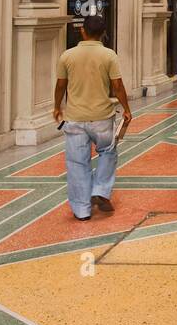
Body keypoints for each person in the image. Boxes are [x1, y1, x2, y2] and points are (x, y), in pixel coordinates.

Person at [53, 15, 132, 220]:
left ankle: (81, 210)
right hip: (102, 117)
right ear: (103, 34)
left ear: (82, 31)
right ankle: (100, 189)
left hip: (75, 118)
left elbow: (60, 85)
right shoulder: (109, 55)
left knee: (77, 163)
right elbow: (117, 86)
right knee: (108, 152)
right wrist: (126, 108)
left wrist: (56, 107)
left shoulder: (67, 56)